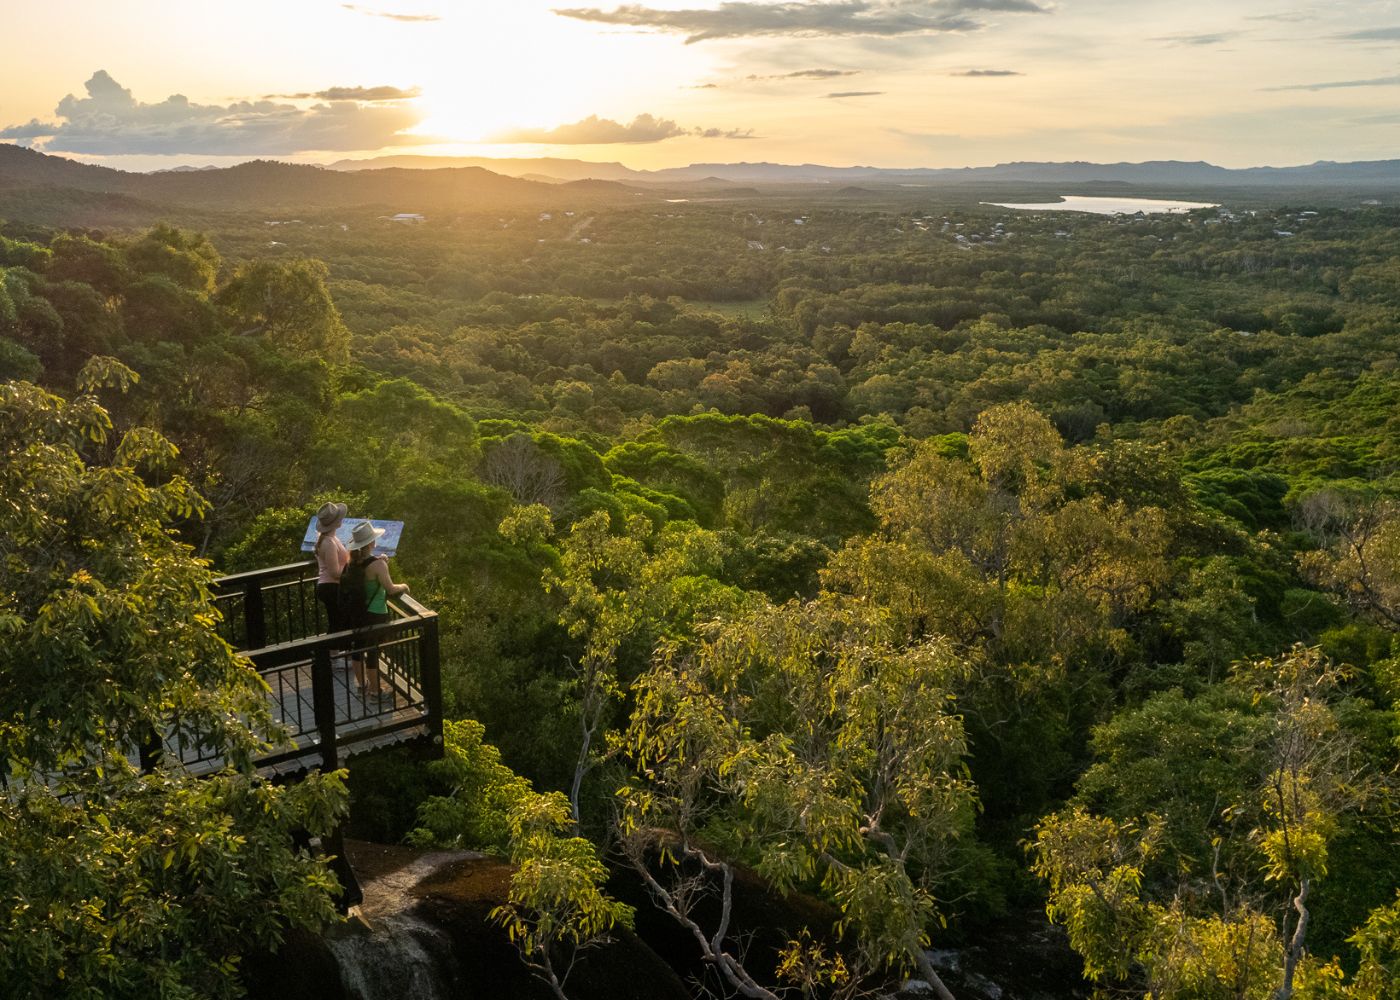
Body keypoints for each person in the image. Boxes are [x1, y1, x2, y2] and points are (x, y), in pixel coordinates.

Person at [343, 519, 410, 701]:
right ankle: (375, 692)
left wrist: (381, 560)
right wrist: (404, 586)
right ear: (371, 543)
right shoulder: (378, 565)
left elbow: (366, 569)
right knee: (373, 651)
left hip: (357, 612)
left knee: (358, 649)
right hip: (375, 613)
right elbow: (391, 589)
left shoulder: (351, 563)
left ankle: (362, 686)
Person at [313, 501, 349, 634]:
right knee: (338, 625)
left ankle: (337, 647)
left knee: (338, 623)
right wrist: (353, 569)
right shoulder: (329, 543)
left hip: (329, 586)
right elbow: (334, 572)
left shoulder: (330, 538)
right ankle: (335, 648)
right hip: (331, 587)